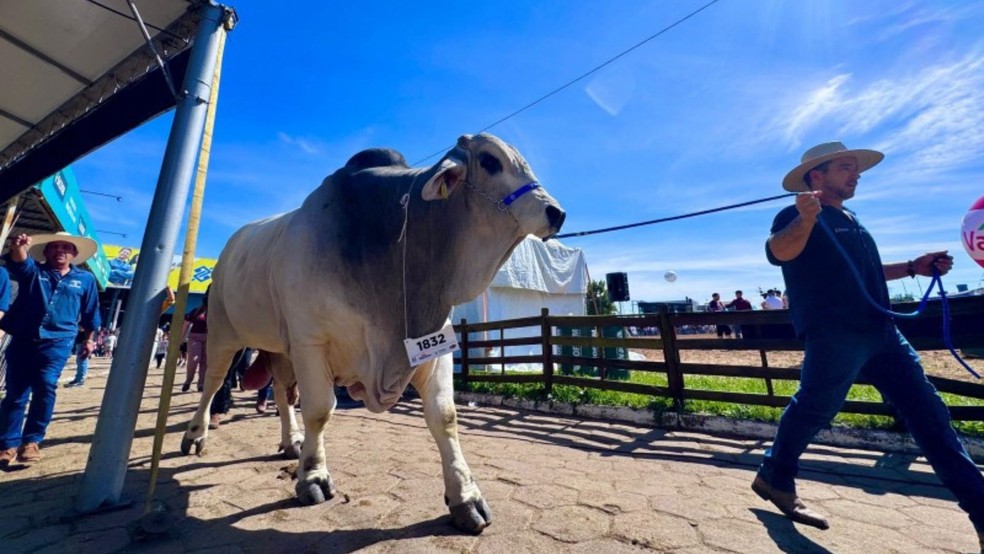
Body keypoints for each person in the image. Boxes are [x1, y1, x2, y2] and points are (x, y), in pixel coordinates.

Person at [752, 141, 984, 550]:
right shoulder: (795, 213)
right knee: (815, 408)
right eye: (845, 167)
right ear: (816, 176)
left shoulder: (852, 219)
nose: (855, 173)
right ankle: (775, 474)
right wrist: (805, 219)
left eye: (855, 168)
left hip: (883, 331)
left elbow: (866, 271)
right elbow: (779, 251)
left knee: (931, 415)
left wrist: (914, 267)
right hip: (836, 330)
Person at [0, 232, 100, 466]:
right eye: (54, 247)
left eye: (66, 247)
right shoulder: (34, 272)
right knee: (15, 394)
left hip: (58, 341)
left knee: (45, 385)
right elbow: (20, 262)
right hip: (24, 338)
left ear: (74, 254)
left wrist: (89, 339)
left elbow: (90, 312)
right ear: (45, 252)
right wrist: (19, 247)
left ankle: (32, 441)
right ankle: (7, 444)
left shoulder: (85, 280)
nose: (60, 251)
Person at [181, 287, 209, 392]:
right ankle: (188, 380)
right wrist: (181, 339)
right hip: (195, 337)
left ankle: (201, 384)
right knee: (193, 360)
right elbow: (186, 324)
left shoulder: (215, 312)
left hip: (209, 338)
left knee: (205, 362)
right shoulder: (196, 311)